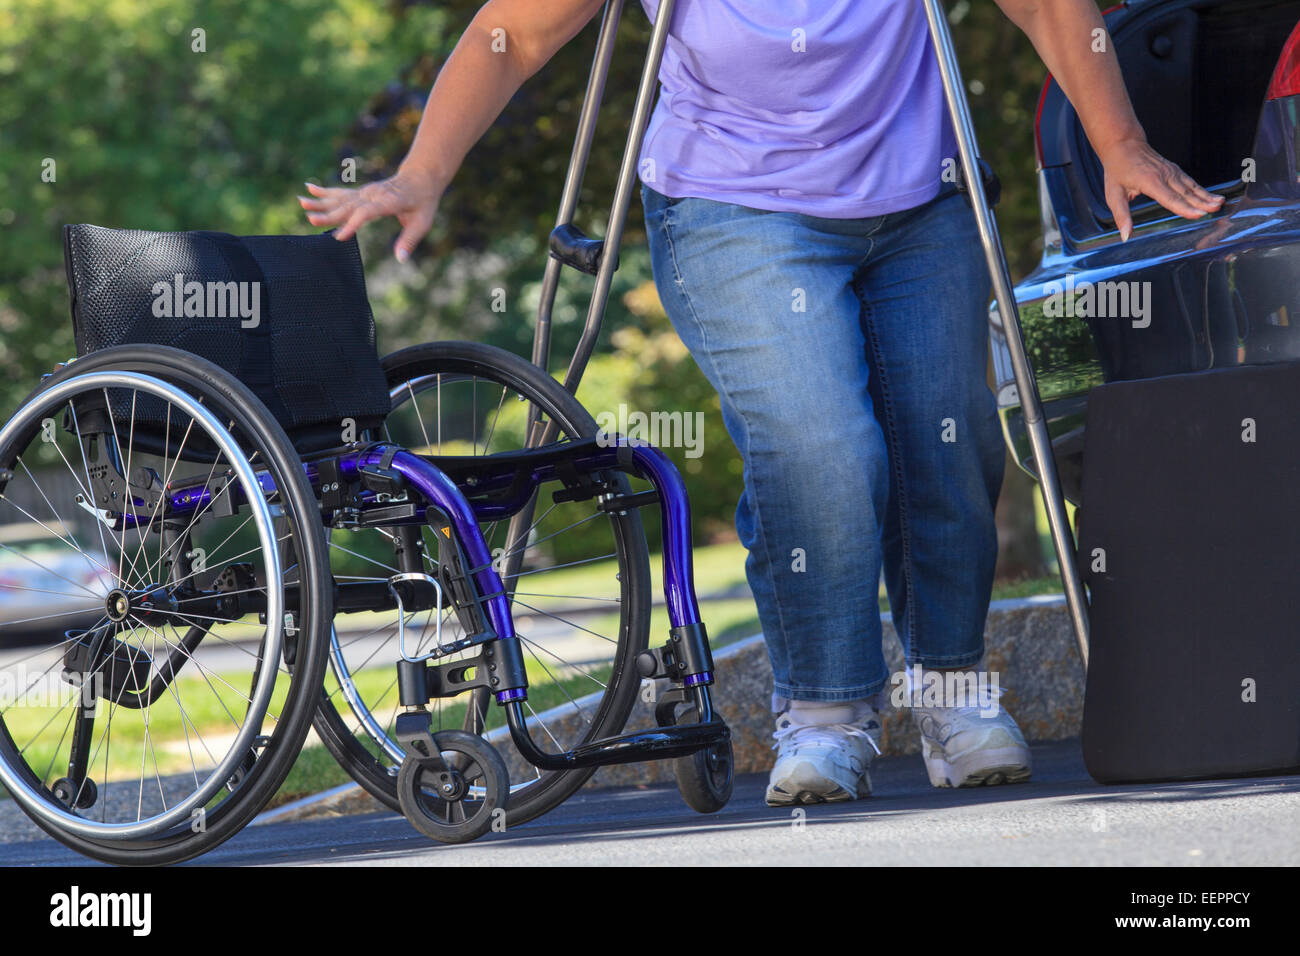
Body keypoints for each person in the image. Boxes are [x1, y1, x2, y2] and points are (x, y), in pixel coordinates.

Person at [299, 0, 1223, 806]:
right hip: (733, 207)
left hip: (921, 201)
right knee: (819, 446)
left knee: (952, 440)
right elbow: (513, 31)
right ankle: (823, 713)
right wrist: (419, 174)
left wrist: (1121, 143)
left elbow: (1045, 3)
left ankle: (952, 696)